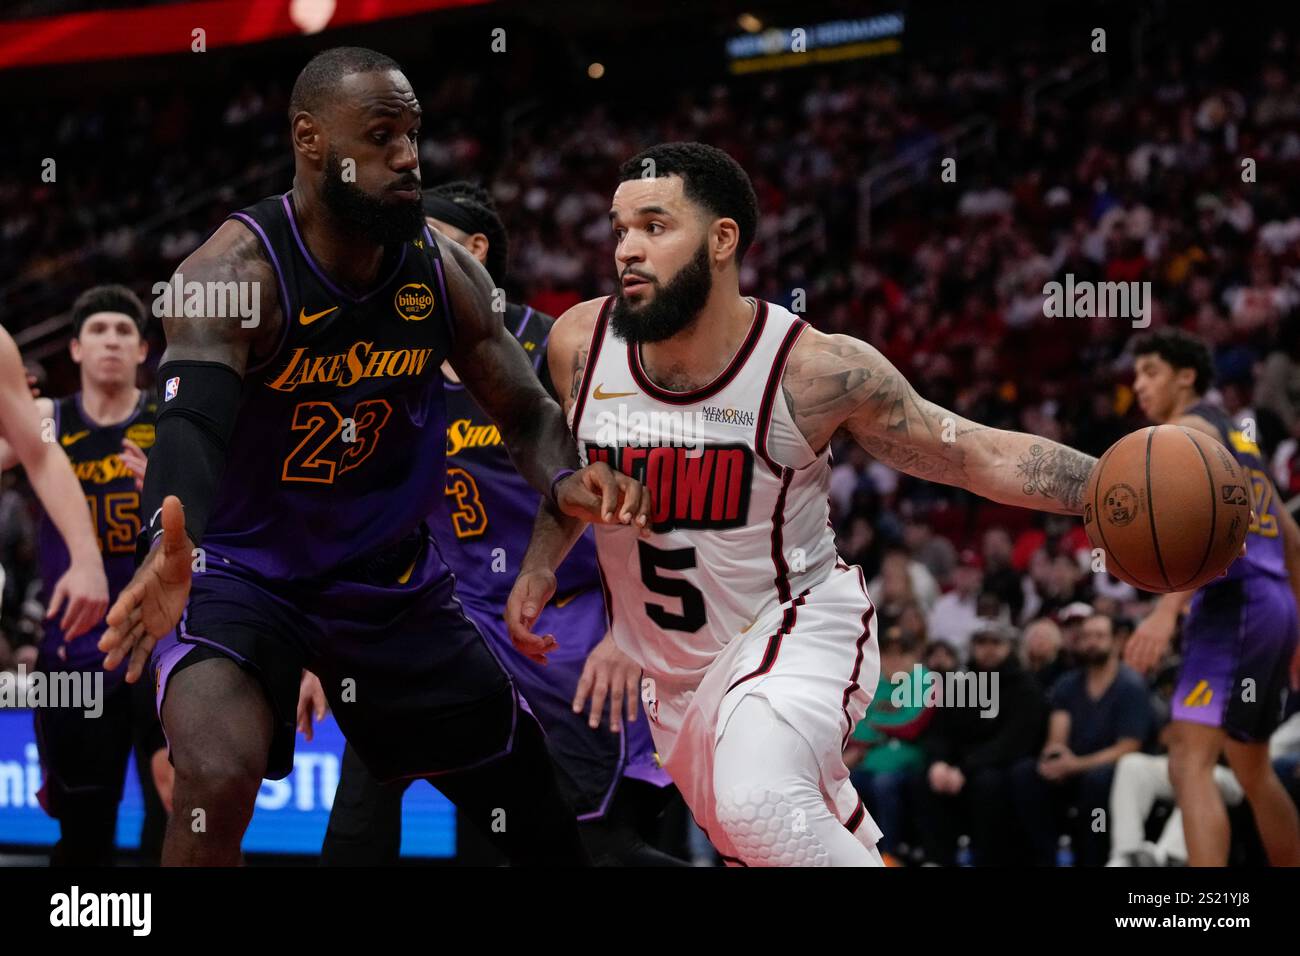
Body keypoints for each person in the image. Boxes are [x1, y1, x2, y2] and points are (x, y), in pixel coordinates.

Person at [98, 47, 647, 866]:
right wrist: (165, 545)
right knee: (216, 772)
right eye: (383, 135)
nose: (408, 158)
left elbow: (525, 408)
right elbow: (193, 426)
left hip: (388, 581)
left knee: (528, 795)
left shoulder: (441, 267)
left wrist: (566, 476)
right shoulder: (230, 272)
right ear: (311, 139)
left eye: (414, 135)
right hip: (243, 571)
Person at [506, 141, 1106, 866]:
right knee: (775, 835)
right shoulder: (579, 342)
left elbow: (969, 451)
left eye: (655, 227)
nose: (627, 249)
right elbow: (573, 477)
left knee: (758, 800)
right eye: (619, 229)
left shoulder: (811, 368)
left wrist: (1108, 492)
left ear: (722, 240)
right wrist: (543, 560)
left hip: (795, 626)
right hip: (678, 681)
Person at [310, 182, 680, 866]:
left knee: (595, 850)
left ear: (475, 250)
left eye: (417, 240)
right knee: (368, 784)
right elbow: (359, 518)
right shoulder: (392, 368)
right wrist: (322, 650)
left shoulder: (557, 349)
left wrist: (637, 630)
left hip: (566, 627)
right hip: (452, 622)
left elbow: (637, 489)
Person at [1128, 327, 1300, 866]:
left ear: (1187, 377)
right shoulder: (1241, 439)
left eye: (1150, 371)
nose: (1138, 385)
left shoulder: (1182, 432)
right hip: (1275, 605)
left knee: (1188, 758)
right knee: (1251, 767)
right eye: (1135, 374)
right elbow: (1293, 537)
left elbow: (1189, 534)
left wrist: (1163, 610)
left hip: (1234, 604)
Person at [1, 295, 139, 864]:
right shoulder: (45, 419)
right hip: (75, 648)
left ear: (143, 349)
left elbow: (231, 514)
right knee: (79, 809)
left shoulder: (169, 418)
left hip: (161, 638)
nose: (111, 340)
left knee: (177, 789)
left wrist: (169, 487)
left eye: (124, 329)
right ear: (76, 348)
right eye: (98, 329)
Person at [1011, 613, 1154, 866]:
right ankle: (1044, 857)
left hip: (1110, 771)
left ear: (1116, 642)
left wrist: (1076, 765)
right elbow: (1058, 732)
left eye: (1099, 636)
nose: (1091, 643)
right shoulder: (1068, 683)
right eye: (1086, 637)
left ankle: (1093, 860)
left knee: (1096, 782)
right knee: (1025, 774)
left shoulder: (1131, 685)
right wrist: (1054, 756)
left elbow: (1128, 748)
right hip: (1073, 767)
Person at [914, 621, 1045, 865]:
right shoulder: (961, 684)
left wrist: (964, 769)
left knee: (988, 785)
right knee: (926, 779)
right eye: (981, 643)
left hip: (1003, 764)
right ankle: (936, 859)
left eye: (996, 642)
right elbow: (940, 732)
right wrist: (939, 763)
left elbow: (1013, 741)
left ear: (1010, 647)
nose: (988, 649)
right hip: (960, 766)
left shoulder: (1025, 686)